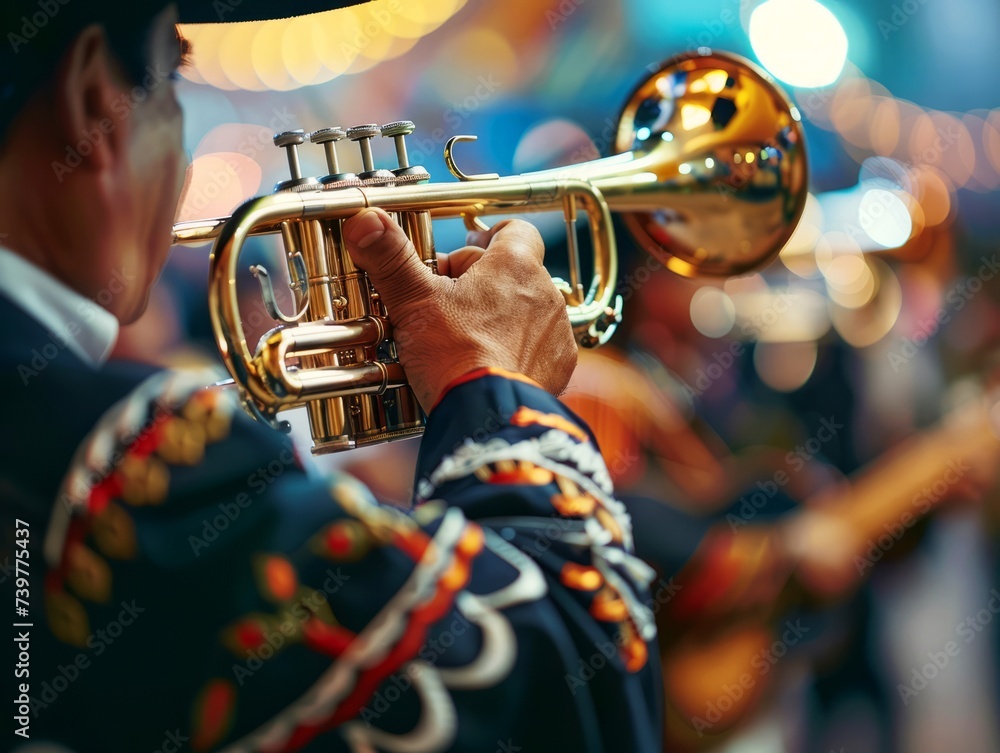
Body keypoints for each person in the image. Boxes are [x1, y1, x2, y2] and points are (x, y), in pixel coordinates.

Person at [0, 2, 661, 751]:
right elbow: (561, 680)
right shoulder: (131, 457)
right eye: (173, 81)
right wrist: (497, 384)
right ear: (95, 99)